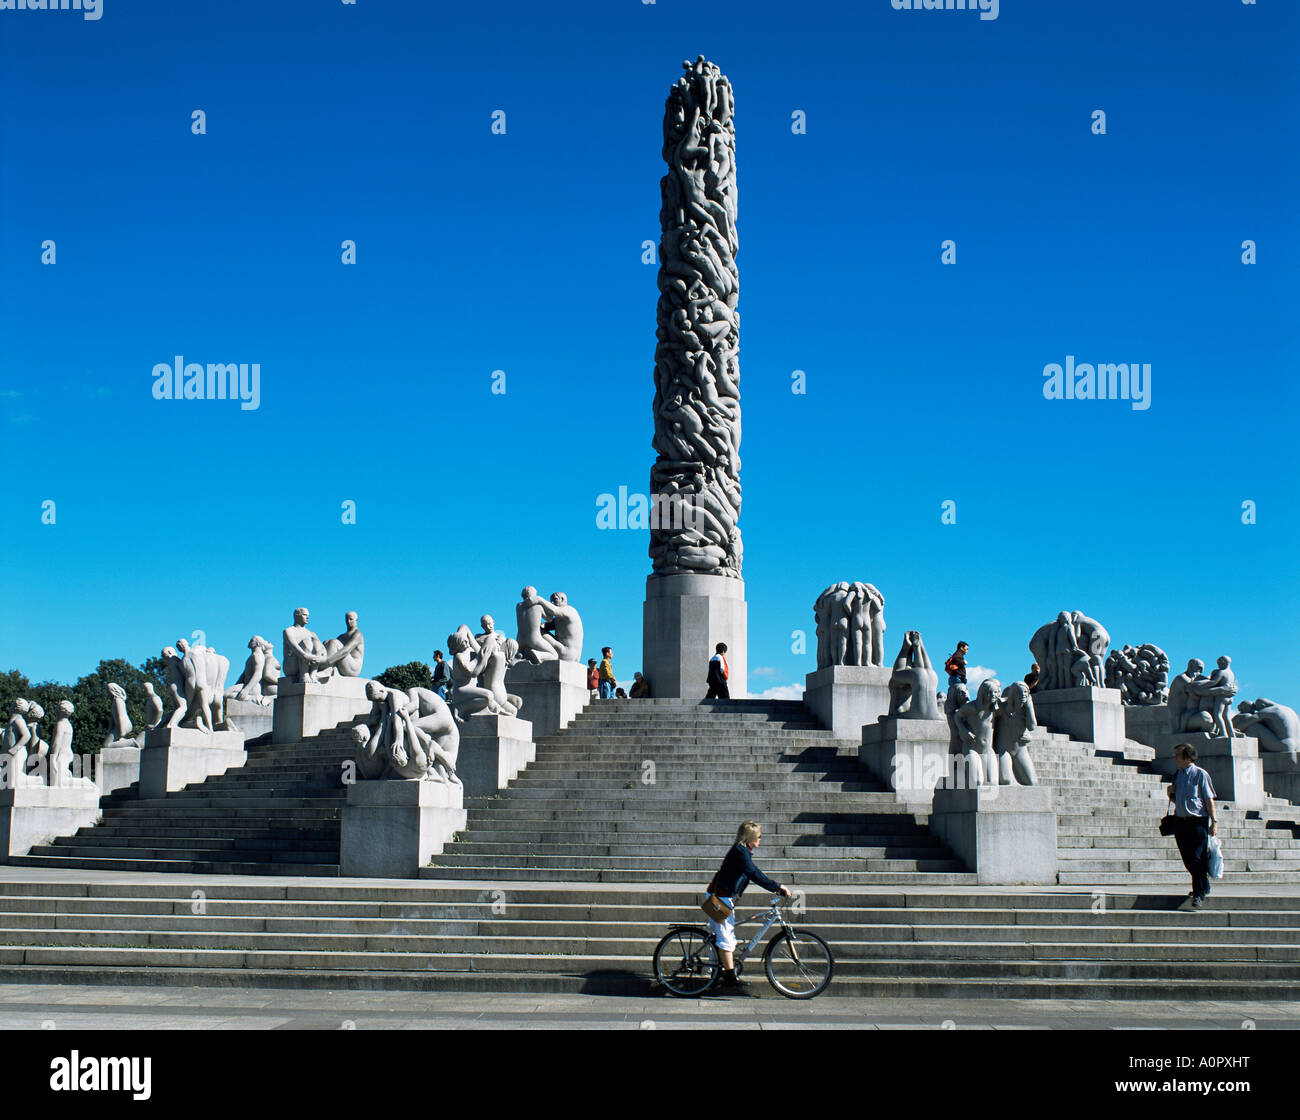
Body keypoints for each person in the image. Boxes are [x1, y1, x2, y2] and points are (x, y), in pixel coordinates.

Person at [705, 821, 792, 993]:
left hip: (720, 896)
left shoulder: (742, 852)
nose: (761, 839)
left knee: (721, 936)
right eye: (759, 836)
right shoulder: (740, 852)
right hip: (718, 898)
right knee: (725, 937)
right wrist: (777, 887)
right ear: (750, 837)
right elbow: (753, 873)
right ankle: (729, 977)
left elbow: (752, 872)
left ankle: (716, 974)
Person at [1167, 742, 1218, 908]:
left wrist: (1214, 821)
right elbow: (1177, 800)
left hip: (1197, 822)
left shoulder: (1200, 774)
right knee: (1187, 859)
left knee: (1197, 857)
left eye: (1177, 755)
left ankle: (1198, 893)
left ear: (1187, 757)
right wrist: (1170, 794)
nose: (1174, 758)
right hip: (1180, 822)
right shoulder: (1177, 775)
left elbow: (1208, 799)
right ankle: (1204, 885)